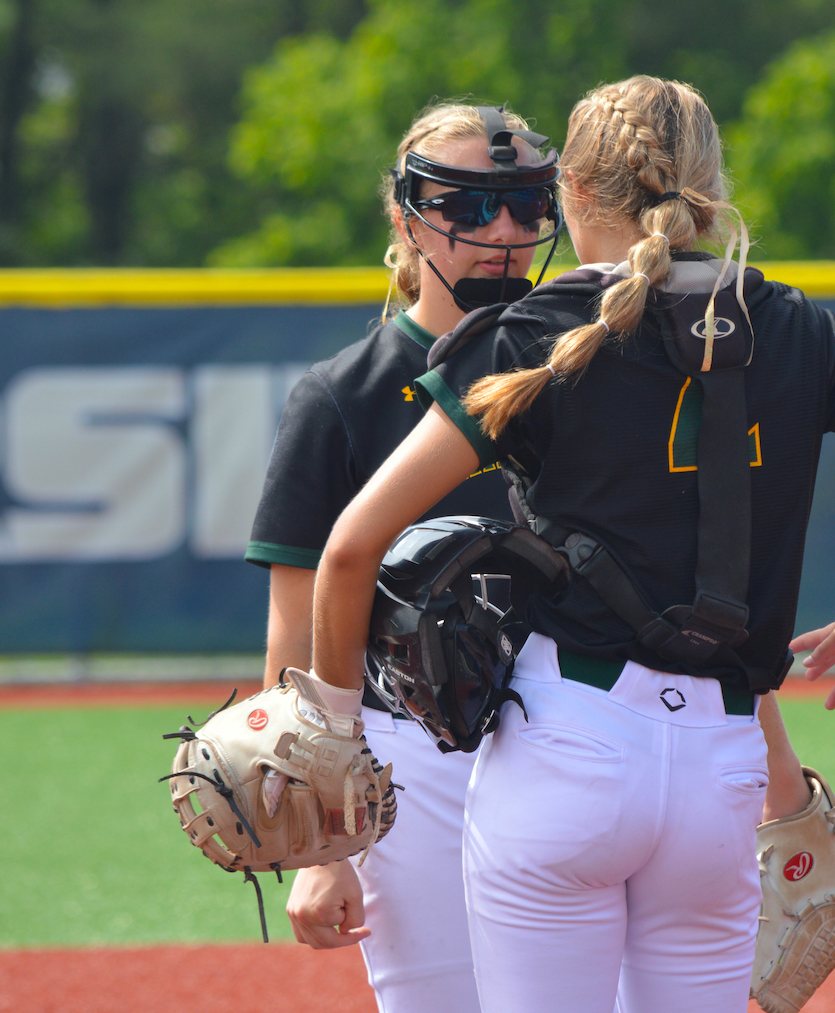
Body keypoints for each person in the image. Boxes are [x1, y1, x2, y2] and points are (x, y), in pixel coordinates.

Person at [307, 76, 835, 1013]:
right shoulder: (794, 327)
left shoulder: (530, 335)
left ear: (568, 191)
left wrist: (327, 745)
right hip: (720, 768)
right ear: (711, 185)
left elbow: (349, 548)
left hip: (562, 749)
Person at [244, 102, 561, 1013]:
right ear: (406, 215)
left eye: (525, 205)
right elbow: (294, 637)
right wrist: (321, 842)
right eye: (466, 206)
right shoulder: (344, 395)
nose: (502, 232)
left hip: (585, 741)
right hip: (407, 759)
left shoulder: (584, 369)